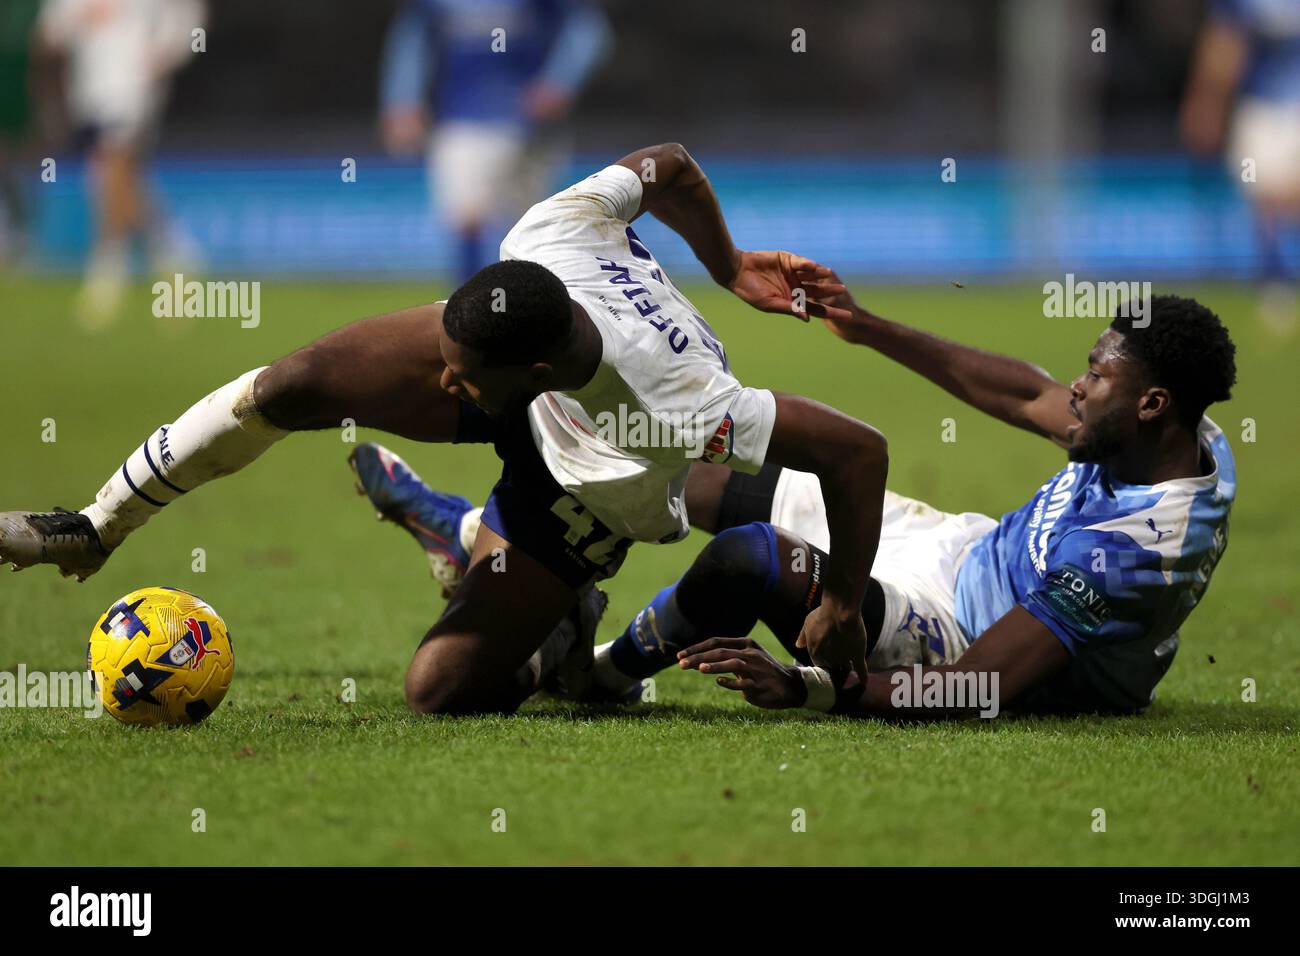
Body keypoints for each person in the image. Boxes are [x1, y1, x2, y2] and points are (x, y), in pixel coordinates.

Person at [0, 144, 888, 716]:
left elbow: (856, 450)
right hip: (532, 376)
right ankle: (94, 524)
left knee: (440, 691)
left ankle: (560, 616)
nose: (442, 377)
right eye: (446, 355)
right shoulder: (545, 232)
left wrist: (844, 601)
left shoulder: (685, 407)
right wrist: (729, 266)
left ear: (533, 375)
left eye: (460, 374)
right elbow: (671, 164)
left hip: (588, 490)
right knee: (299, 383)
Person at [368, 286, 1238, 718]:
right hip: (968, 551)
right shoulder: (1180, 434)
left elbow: (992, 683)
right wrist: (871, 328)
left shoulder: (1132, 553)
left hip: (968, 630)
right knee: (688, 463)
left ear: (1153, 404)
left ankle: (591, 674)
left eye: (1096, 376)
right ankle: (493, 539)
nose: (1076, 391)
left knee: (749, 557)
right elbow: (1023, 396)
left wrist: (812, 688)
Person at [379, 0, 612, 282]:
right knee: (467, 217)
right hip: (464, 120)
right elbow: (411, 42)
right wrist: (403, 101)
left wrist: (559, 82)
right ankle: (473, 313)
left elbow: (586, 32)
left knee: (525, 227)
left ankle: (522, 312)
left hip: (533, 129)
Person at [35, 0, 206, 328]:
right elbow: (50, 33)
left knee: (114, 163)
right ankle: (173, 254)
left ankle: (108, 269)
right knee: (114, 178)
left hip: (135, 88)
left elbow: (188, 18)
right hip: (89, 94)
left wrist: (167, 52)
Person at [1181, 0, 1300, 333]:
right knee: (1265, 197)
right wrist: (1208, 102)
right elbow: (1225, 43)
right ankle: (1277, 291)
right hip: (1263, 106)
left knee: (1281, 197)